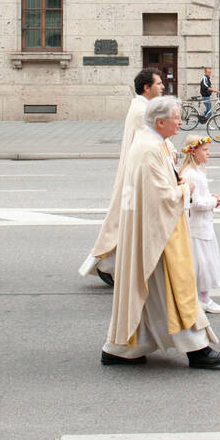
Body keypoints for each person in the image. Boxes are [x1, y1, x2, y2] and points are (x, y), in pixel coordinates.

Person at [102, 97, 220, 368]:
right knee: (177, 289)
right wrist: (186, 189)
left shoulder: (152, 143)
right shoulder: (149, 149)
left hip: (153, 231)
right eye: (176, 118)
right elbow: (161, 197)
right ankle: (197, 350)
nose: (181, 122)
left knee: (149, 293)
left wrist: (177, 180)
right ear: (160, 122)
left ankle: (121, 349)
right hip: (158, 235)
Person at [79, 68, 163, 284]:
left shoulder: (142, 106)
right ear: (147, 87)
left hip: (136, 172)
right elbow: (149, 141)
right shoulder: (142, 110)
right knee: (127, 221)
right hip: (137, 175)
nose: (163, 87)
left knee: (128, 221)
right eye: (159, 83)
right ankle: (108, 265)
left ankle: (113, 265)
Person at [180, 136, 220, 314]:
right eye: (205, 150)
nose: (208, 153)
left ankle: (201, 299)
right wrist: (214, 201)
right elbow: (196, 203)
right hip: (198, 227)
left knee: (202, 263)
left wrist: (210, 197)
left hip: (200, 225)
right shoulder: (192, 174)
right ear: (194, 152)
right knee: (203, 264)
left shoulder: (195, 171)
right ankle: (204, 299)